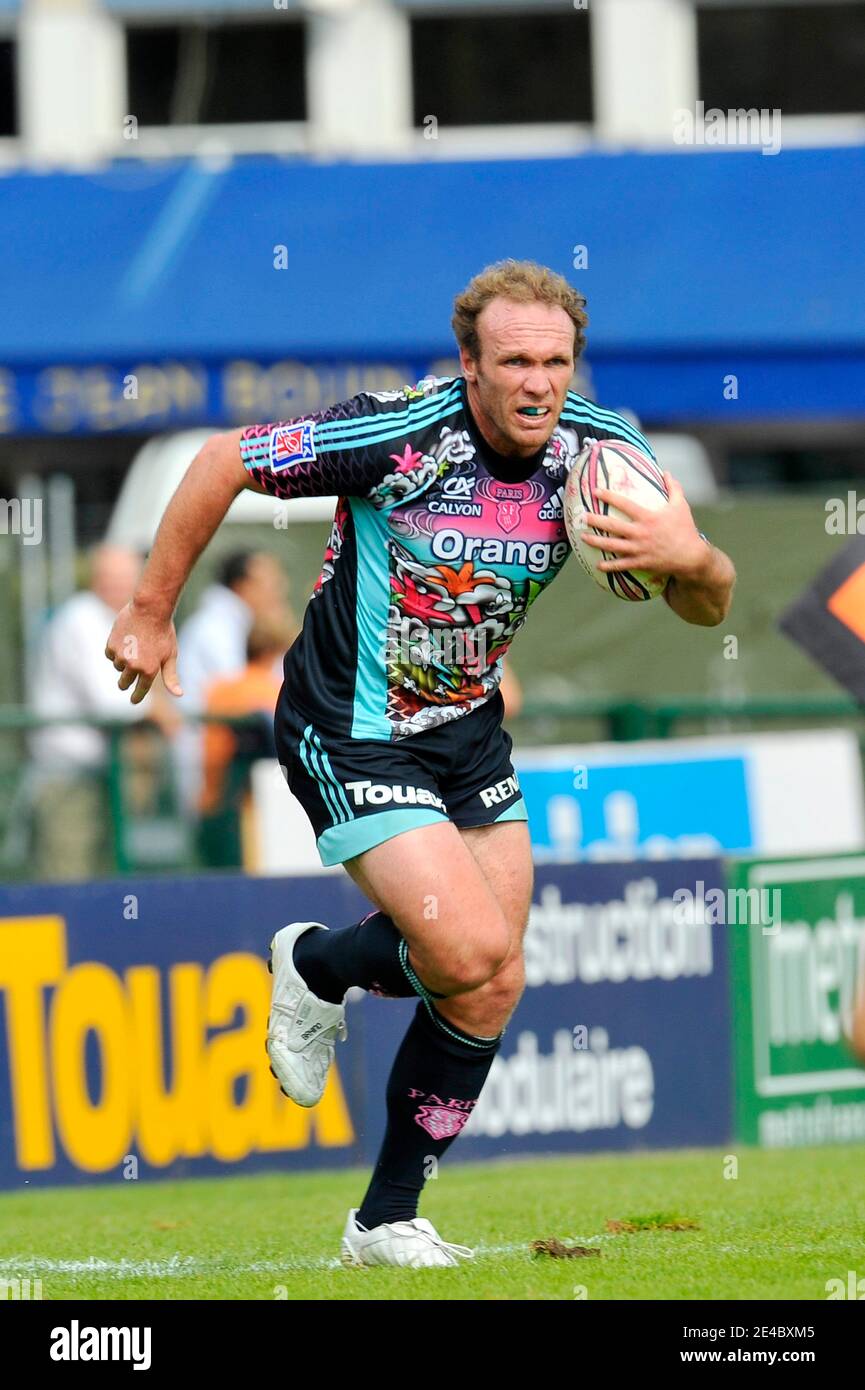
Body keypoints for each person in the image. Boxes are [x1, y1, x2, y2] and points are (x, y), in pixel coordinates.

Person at [105, 260, 735, 1268]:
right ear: (469, 365)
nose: (538, 382)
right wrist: (147, 611)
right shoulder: (396, 434)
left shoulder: (604, 450)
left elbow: (708, 600)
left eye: (556, 362)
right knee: (466, 947)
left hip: (466, 733)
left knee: (489, 979)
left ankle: (382, 1218)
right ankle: (317, 964)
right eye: (514, 360)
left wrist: (694, 557)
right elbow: (224, 458)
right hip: (348, 727)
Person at [31, 544, 157, 879]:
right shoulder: (81, 618)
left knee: (102, 876)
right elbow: (114, 702)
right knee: (69, 879)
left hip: (98, 774)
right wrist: (160, 709)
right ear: (101, 580)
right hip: (70, 778)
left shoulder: (107, 618)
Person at [174, 550, 291, 810]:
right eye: (269, 582)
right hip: (216, 766)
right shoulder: (214, 627)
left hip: (233, 762)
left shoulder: (234, 623)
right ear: (243, 586)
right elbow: (246, 693)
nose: (278, 588)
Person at [198, 615, 296, 866]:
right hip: (256, 816)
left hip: (211, 806)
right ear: (274, 652)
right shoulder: (273, 691)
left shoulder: (218, 689)